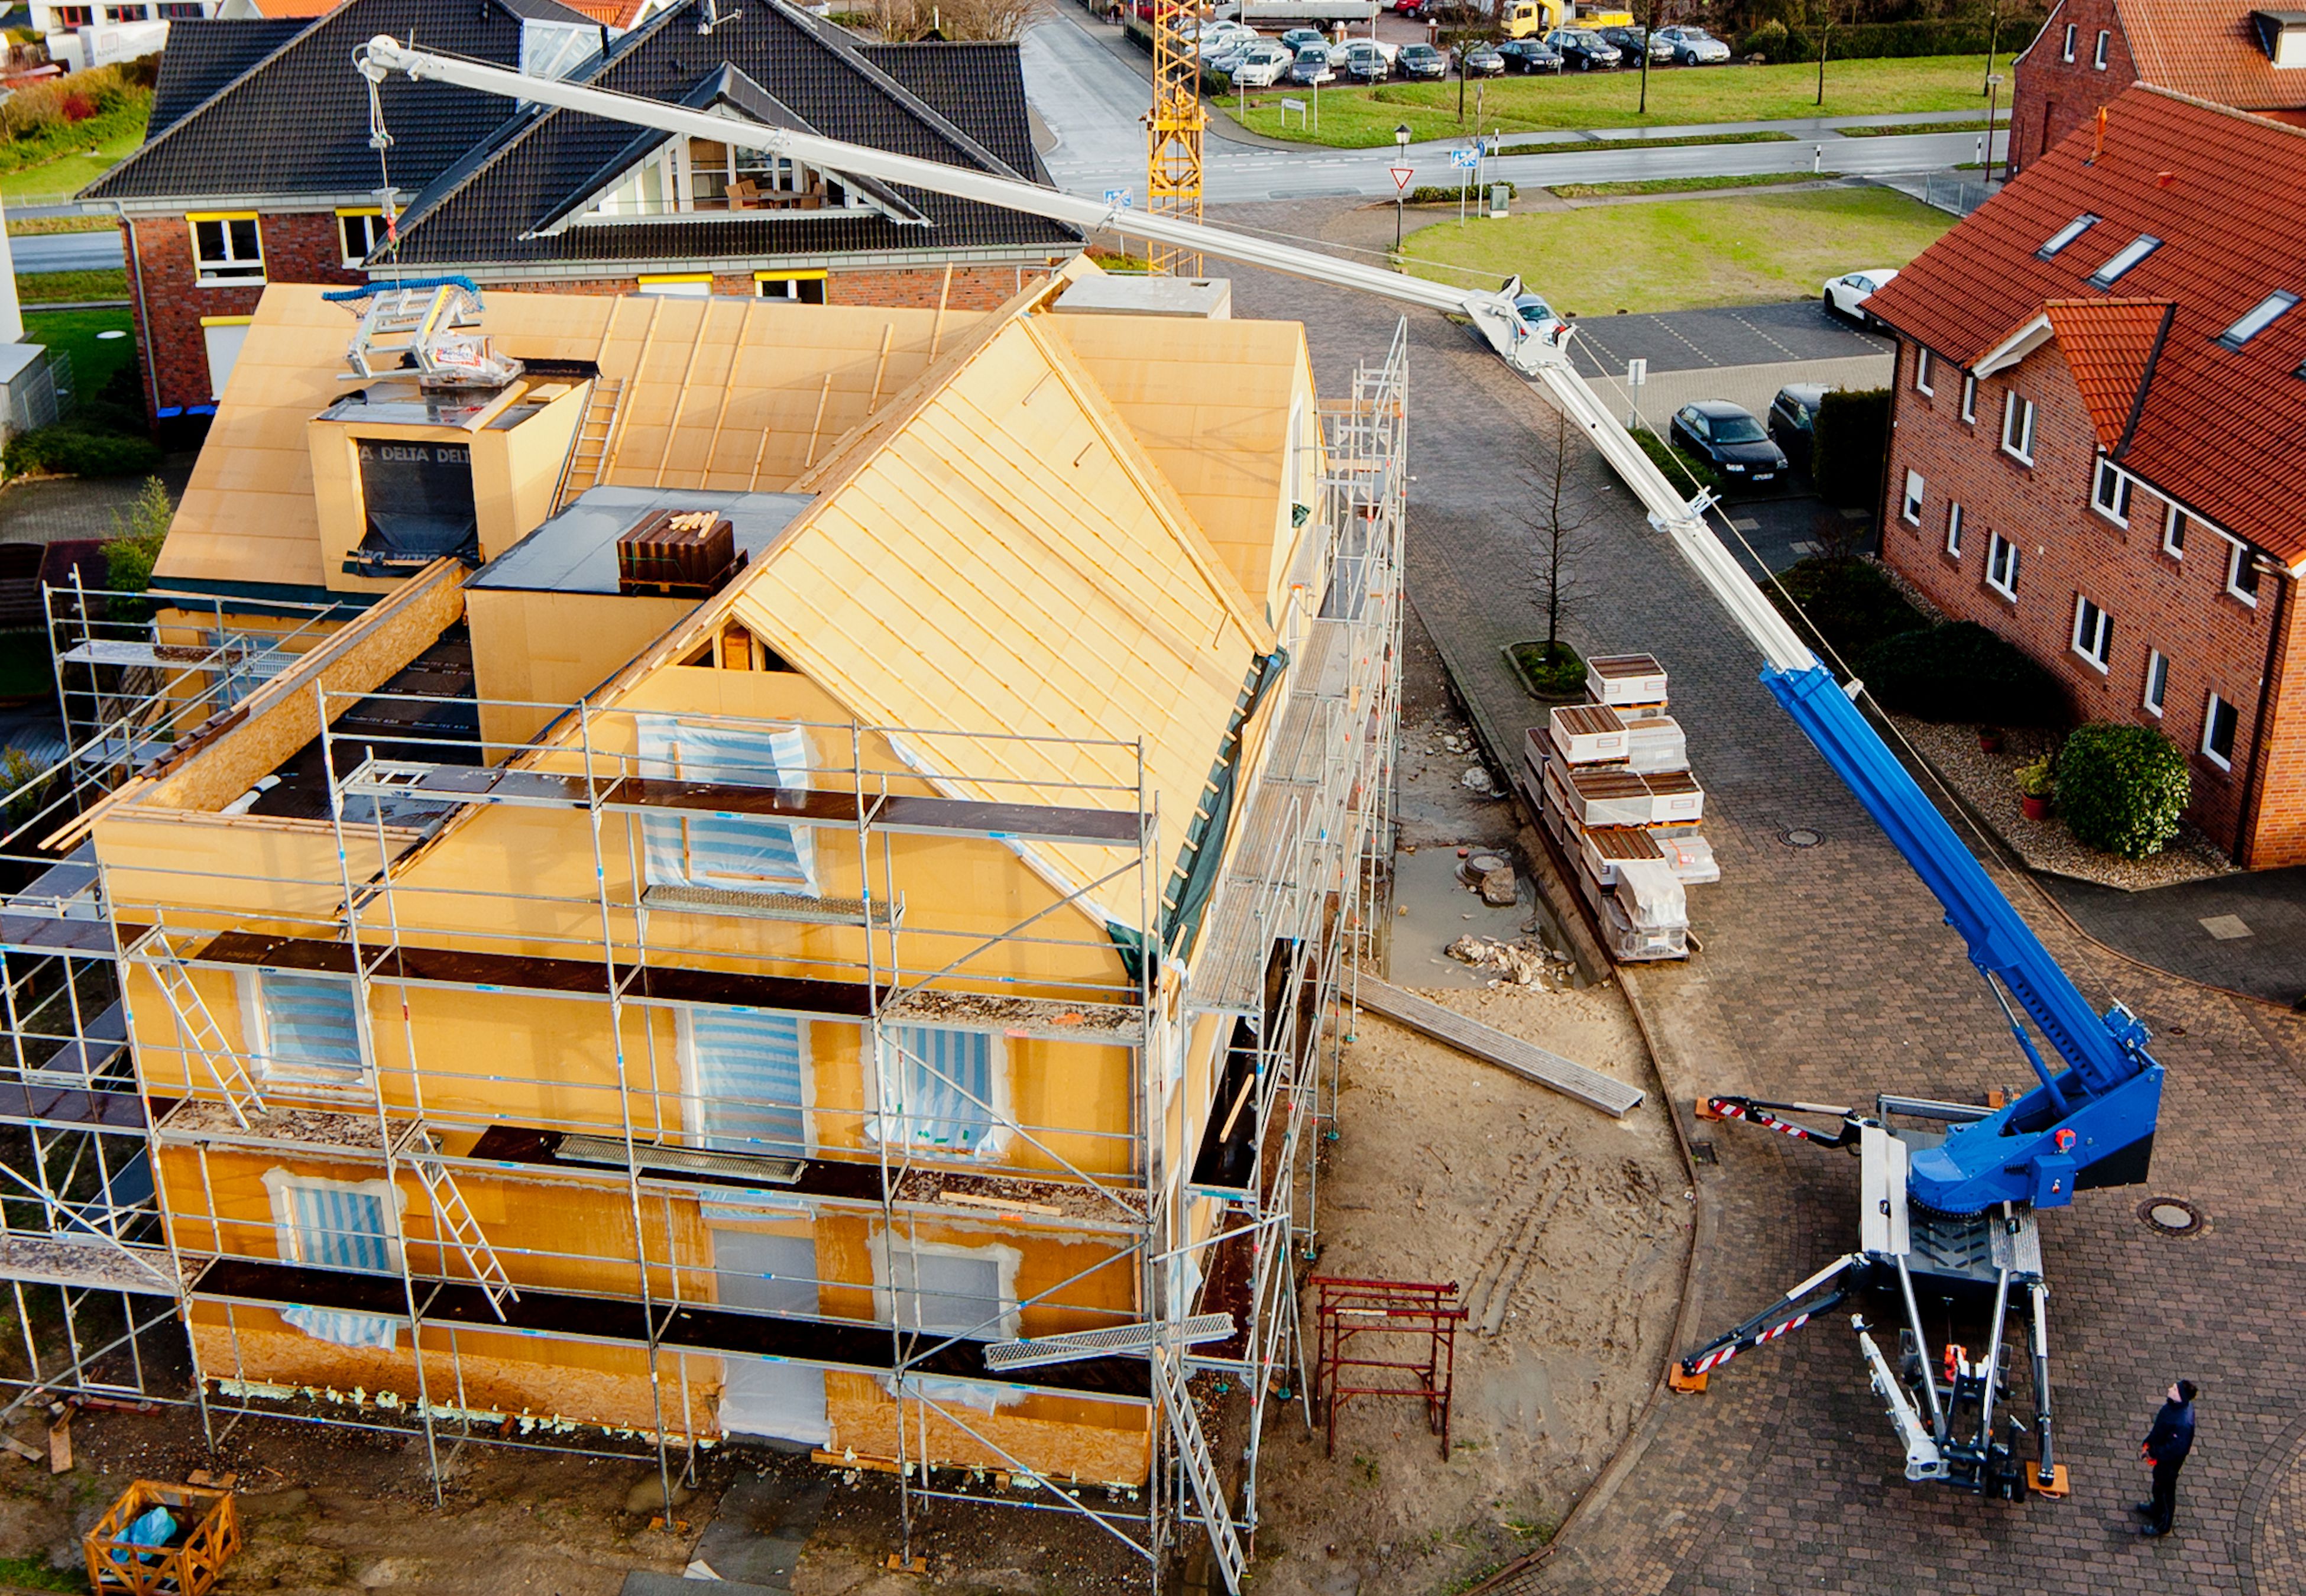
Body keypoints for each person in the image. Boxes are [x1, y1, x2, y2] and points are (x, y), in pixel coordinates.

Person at [2136, 1379, 2197, 1537]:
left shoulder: (2182, 1423)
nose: (2170, 1389)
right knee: (2158, 1486)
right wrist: (2150, 1443)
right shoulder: (2174, 1407)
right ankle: (2156, 1508)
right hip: (2163, 1459)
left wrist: (2154, 1453)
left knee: (2165, 1491)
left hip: (2169, 1464)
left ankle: (2163, 1525)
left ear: (2180, 1397)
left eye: (2175, 1389)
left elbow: (2174, 1449)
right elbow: (2160, 1429)